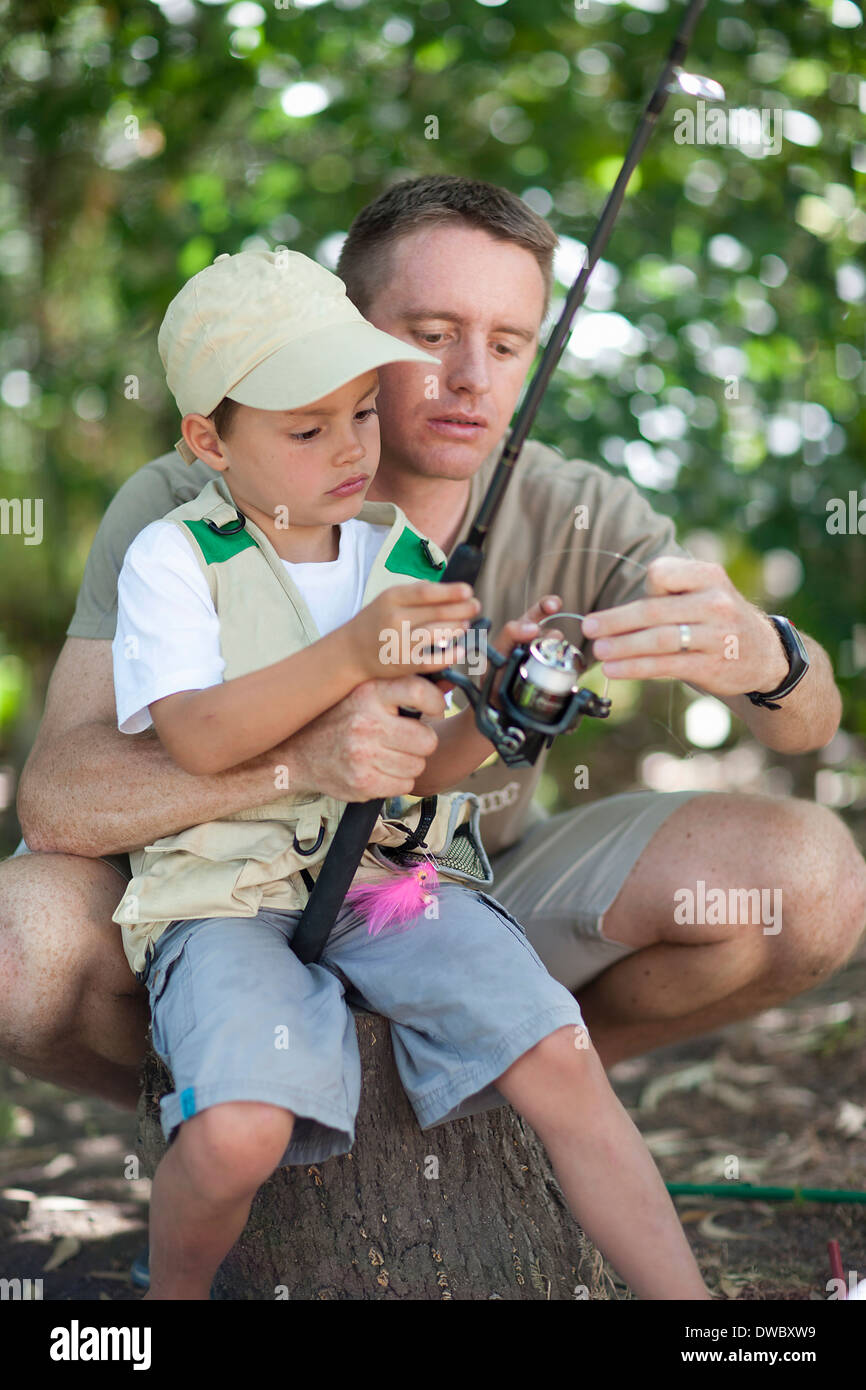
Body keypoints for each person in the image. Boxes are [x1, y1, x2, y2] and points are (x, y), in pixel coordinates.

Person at [6, 176, 865, 1121]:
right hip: (215, 905)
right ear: (347, 334)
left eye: (507, 344)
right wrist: (304, 761)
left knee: (811, 879)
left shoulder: (579, 509)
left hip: (460, 892)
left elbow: (805, 724)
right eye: (432, 334)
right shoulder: (180, 505)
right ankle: (225, 1121)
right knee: (19, 942)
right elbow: (60, 802)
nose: (472, 379)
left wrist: (771, 658)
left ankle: (490, 1114)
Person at [116, 247, 710, 1301]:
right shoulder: (174, 557)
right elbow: (197, 738)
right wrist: (353, 652)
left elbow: (429, 762)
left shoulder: (401, 561)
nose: (350, 448)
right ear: (209, 440)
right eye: (306, 431)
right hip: (225, 899)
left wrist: (505, 707)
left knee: (559, 1056)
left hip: (390, 884)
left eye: (360, 412)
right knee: (239, 1129)